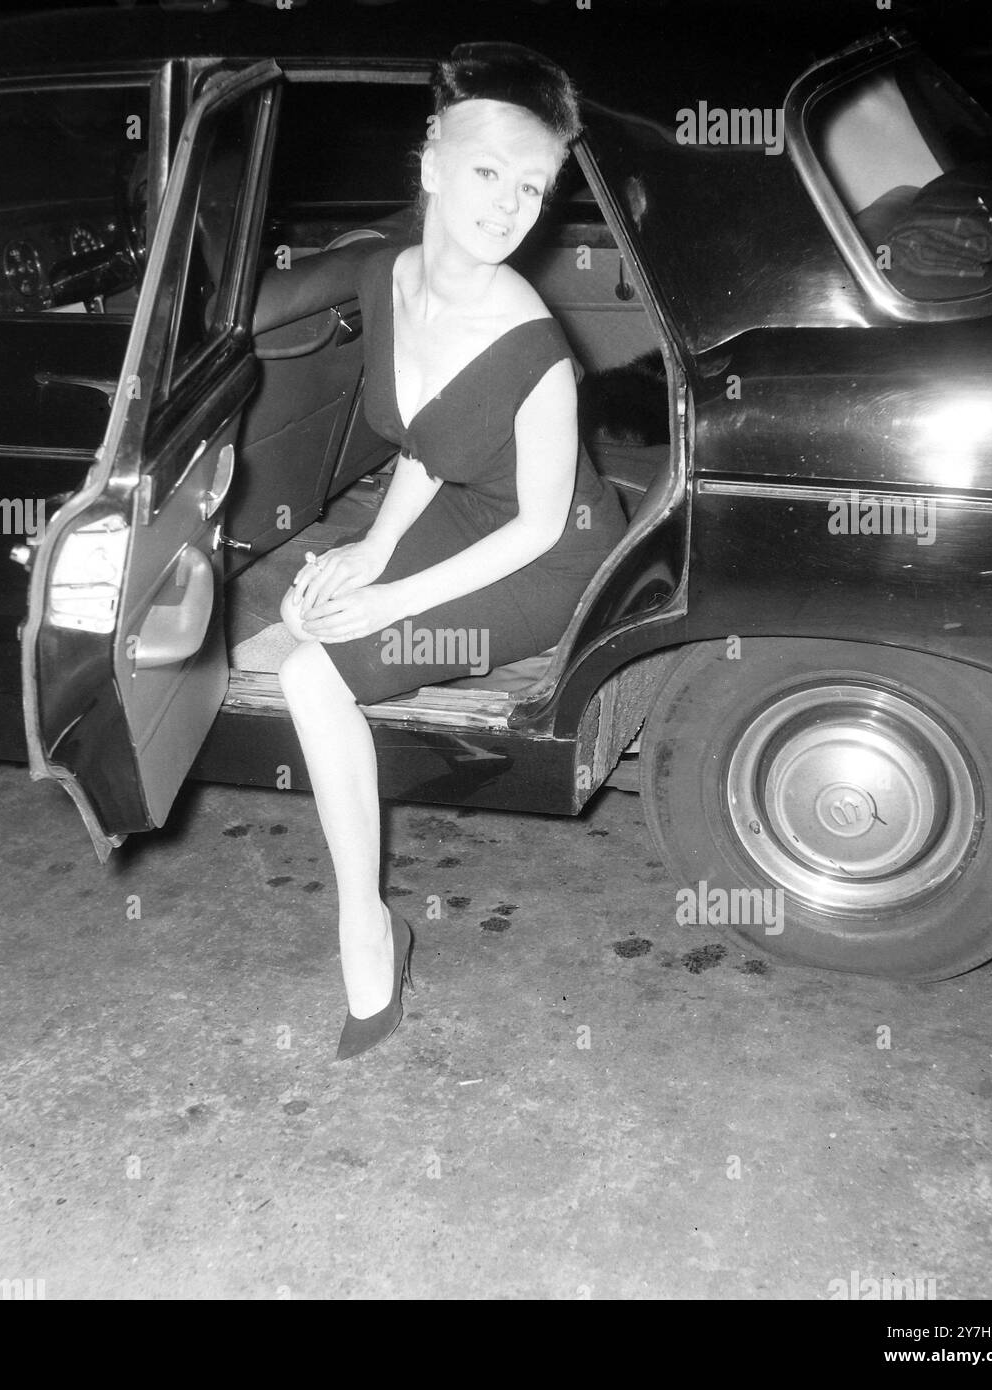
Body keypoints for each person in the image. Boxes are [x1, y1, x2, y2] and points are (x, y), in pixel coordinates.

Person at [276, 42, 628, 1060]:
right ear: (429, 163)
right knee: (308, 608)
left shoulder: (531, 342)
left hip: (548, 554)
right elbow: (430, 442)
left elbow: (533, 522)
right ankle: (364, 915)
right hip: (466, 513)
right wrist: (368, 550)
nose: (510, 205)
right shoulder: (389, 279)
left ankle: (364, 922)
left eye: (533, 187)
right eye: (489, 172)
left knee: (312, 673)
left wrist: (388, 600)